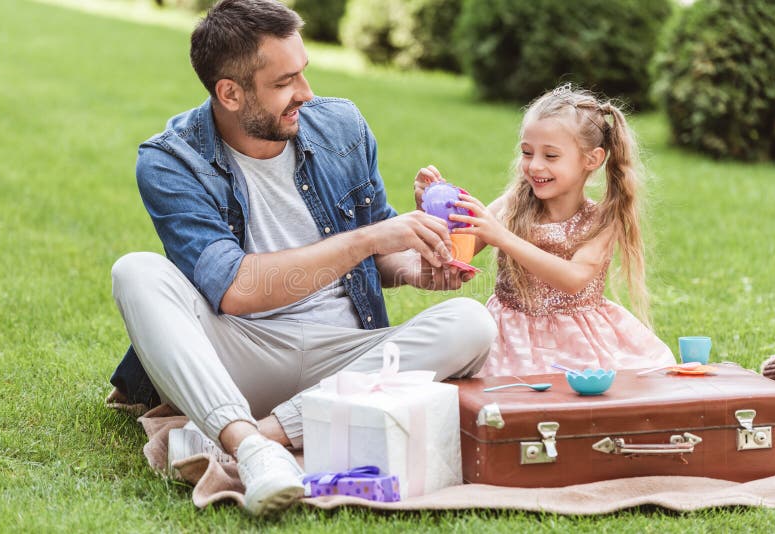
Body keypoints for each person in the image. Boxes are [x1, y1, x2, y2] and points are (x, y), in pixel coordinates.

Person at [109, 0, 496, 516]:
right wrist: (369, 240)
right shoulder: (172, 160)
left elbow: (377, 254)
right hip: (240, 353)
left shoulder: (339, 127)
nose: (306, 95)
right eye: (285, 82)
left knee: (470, 322)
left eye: (304, 73)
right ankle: (250, 443)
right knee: (135, 271)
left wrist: (415, 265)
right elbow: (237, 290)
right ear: (230, 92)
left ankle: (256, 439)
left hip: (345, 357)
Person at [415, 85, 675, 376]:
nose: (535, 165)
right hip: (510, 336)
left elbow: (575, 279)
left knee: (588, 395)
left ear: (592, 159)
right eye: (527, 152)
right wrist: (436, 210)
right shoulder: (513, 204)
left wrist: (503, 238)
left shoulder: (601, 220)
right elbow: (455, 253)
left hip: (577, 339)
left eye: (550, 156)